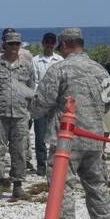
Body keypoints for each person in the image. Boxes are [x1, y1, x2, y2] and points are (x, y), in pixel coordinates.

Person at [29, 27, 110, 219]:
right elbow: (108, 102)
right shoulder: (100, 70)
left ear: (64, 45)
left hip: (65, 139)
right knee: (97, 183)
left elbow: (42, 102)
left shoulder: (59, 70)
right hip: (94, 136)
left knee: (62, 185)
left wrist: (33, 107)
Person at [0, 28, 37, 199]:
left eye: (16, 44)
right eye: (10, 43)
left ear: (20, 46)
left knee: (19, 150)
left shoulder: (27, 66)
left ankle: (18, 185)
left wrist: (23, 105)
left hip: (19, 115)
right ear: (4, 45)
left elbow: (30, 88)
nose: (13, 46)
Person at [32, 32, 63, 175]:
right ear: (43, 43)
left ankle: (55, 162)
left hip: (56, 103)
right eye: (47, 43)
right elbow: (35, 82)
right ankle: (41, 163)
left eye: (52, 43)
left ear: (55, 44)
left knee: (57, 134)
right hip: (40, 101)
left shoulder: (60, 60)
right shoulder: (35, 60)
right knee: (40, 135)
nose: (49, 46)